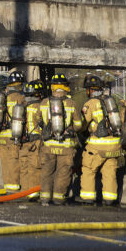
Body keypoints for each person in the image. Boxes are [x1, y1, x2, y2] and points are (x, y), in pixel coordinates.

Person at [80, 75, 126, 207]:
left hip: (97, 146)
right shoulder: (110, 100)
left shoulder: (90, 104)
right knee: (109, 172)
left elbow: (83, 124)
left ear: (89, 90)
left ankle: (88, 199)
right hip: (114, 146)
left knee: (89, 169)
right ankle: (110, 199)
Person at [38, 73, 83, 206]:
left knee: (47, 171)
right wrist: (71, 129)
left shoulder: (44, 102)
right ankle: (59, 198)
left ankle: (45, 198)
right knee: (63, 172)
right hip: (66, 146)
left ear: (52, 87)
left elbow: (37, 121)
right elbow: (79, 125)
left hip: (48, 145)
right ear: (65, 88)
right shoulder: (71, 103)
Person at [0, 71, 27, 193]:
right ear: (20, 85)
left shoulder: (1, 98)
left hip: (2, 136)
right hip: (15, 135)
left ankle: (7, 188)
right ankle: (13, 190)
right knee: (15, 163)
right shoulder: (22, 98)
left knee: (6, 163)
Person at [19, 80, 46, 201]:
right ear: (38, 94)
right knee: (36, 167)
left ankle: (25, 192)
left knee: (24, 167)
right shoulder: (40, 106)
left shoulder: (22, 106)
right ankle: (34, 194)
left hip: (23, 142)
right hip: (36, 142)